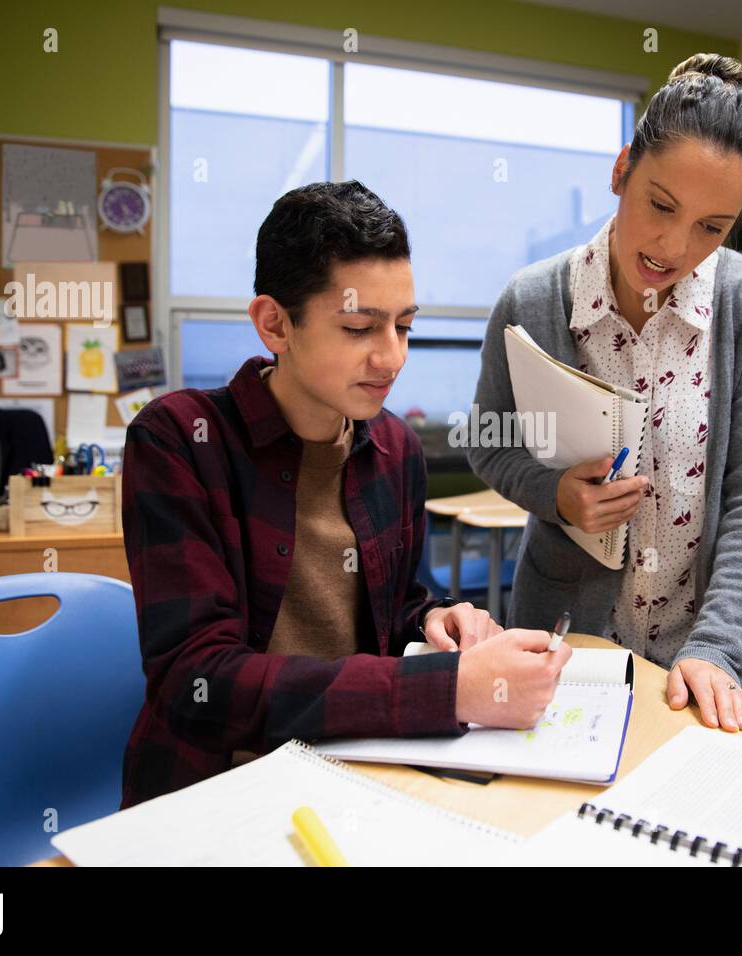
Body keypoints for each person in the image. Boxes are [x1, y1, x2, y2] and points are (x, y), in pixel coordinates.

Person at [119, 180, 571, 807]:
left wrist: (437, 620)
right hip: (214, 789)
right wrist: (448, 688)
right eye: (360, 326)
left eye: (405, 327)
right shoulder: (179, 441)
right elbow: (196, 681)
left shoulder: (394, 449)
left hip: (357, 774)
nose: (392, 358)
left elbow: (394, 610)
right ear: (275, 324)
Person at [469, 54, 742, 734]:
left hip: (703, 652)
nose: (675, 245)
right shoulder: (531, 300)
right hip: (568, 635)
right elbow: (487, 439)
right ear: (622, 170)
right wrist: (555, 494)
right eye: (660, 204)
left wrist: (718, 646)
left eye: (713, 226)